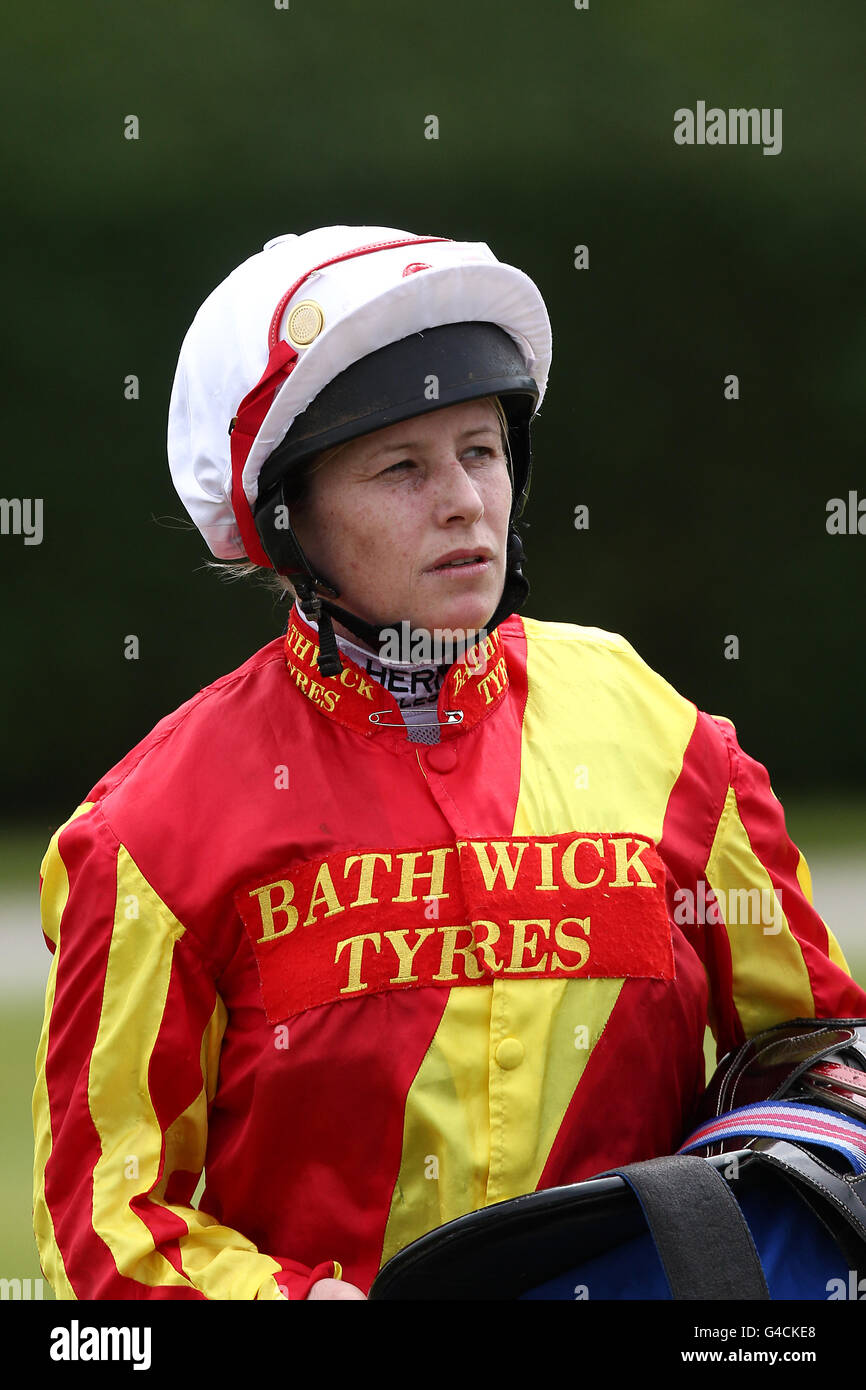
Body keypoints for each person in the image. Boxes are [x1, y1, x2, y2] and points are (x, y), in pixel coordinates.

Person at [33, 224, 866, 1301]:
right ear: (289, 524)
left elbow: (816, 1063)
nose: (464, 499)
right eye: (401, 467)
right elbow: (102, 1225)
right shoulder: (150, 829)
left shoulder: (666, 741)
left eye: (479, 450)